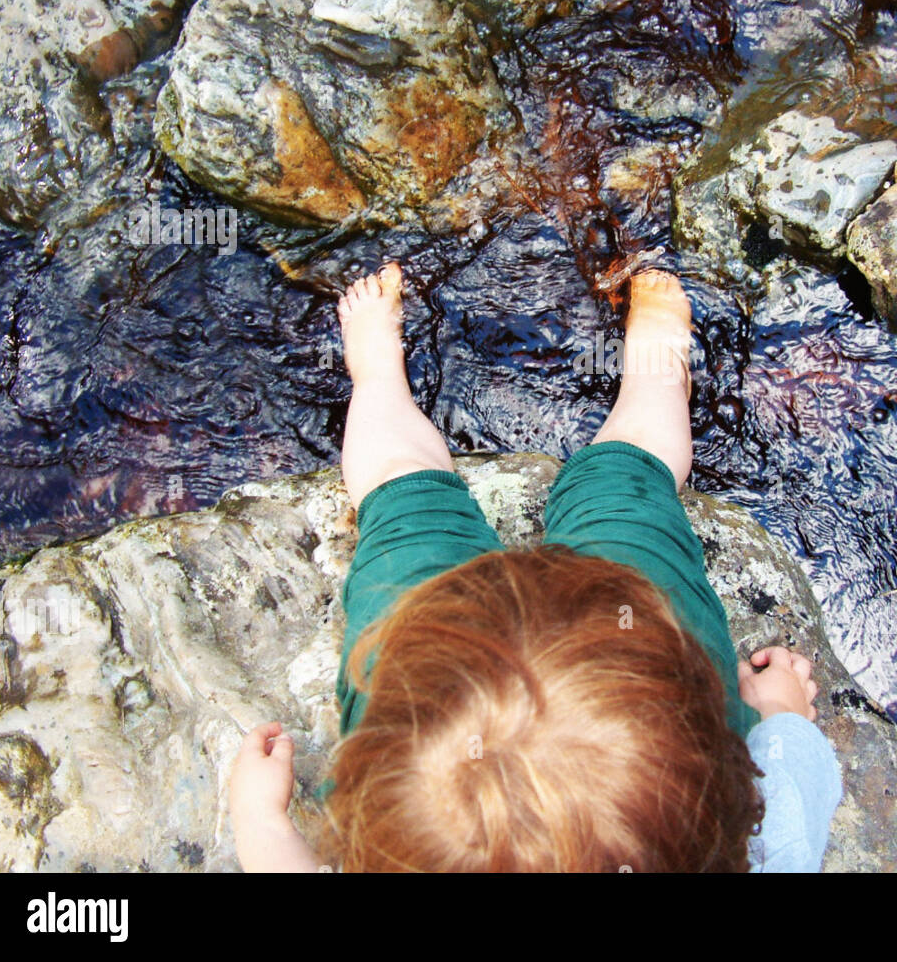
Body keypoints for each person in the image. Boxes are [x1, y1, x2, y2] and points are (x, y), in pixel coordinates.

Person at [228, 263, 841, 871]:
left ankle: (377, 375)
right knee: (626, 488)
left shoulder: (394, 797)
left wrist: (262, 824)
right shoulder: (742, 828)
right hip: (651, 665)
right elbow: (784, 816)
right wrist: (779, 719)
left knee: (402, 498)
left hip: (418, 682)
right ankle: (655, 371)